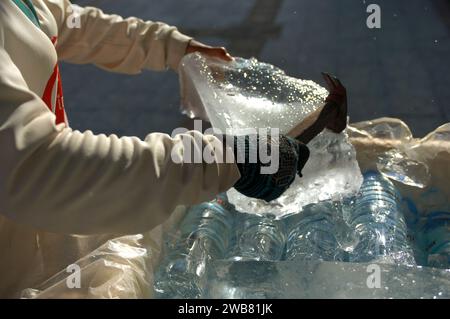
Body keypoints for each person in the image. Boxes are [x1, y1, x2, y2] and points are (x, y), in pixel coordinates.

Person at [0, 0, 346, 298]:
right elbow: (36, 166)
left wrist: (172, 48)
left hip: (39, 231)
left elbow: (63, 21)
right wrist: (222, 159)